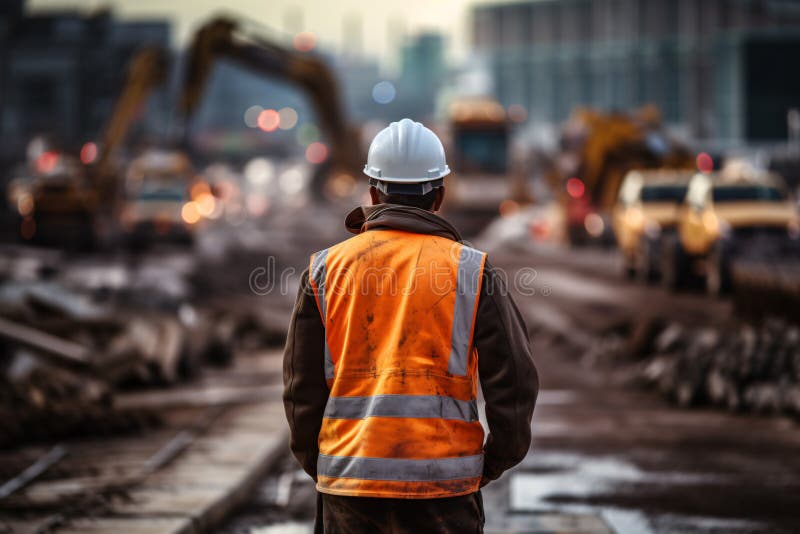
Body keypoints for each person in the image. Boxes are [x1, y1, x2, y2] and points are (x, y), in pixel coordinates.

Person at [283, 118, 538, 533]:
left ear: (372, 191)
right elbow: (515, 381)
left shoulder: (326, 270)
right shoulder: (473, 271)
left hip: (349, 488)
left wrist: (326, 465)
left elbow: (300, 387)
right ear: (439, 195)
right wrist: (487, 465)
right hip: (445, 492)